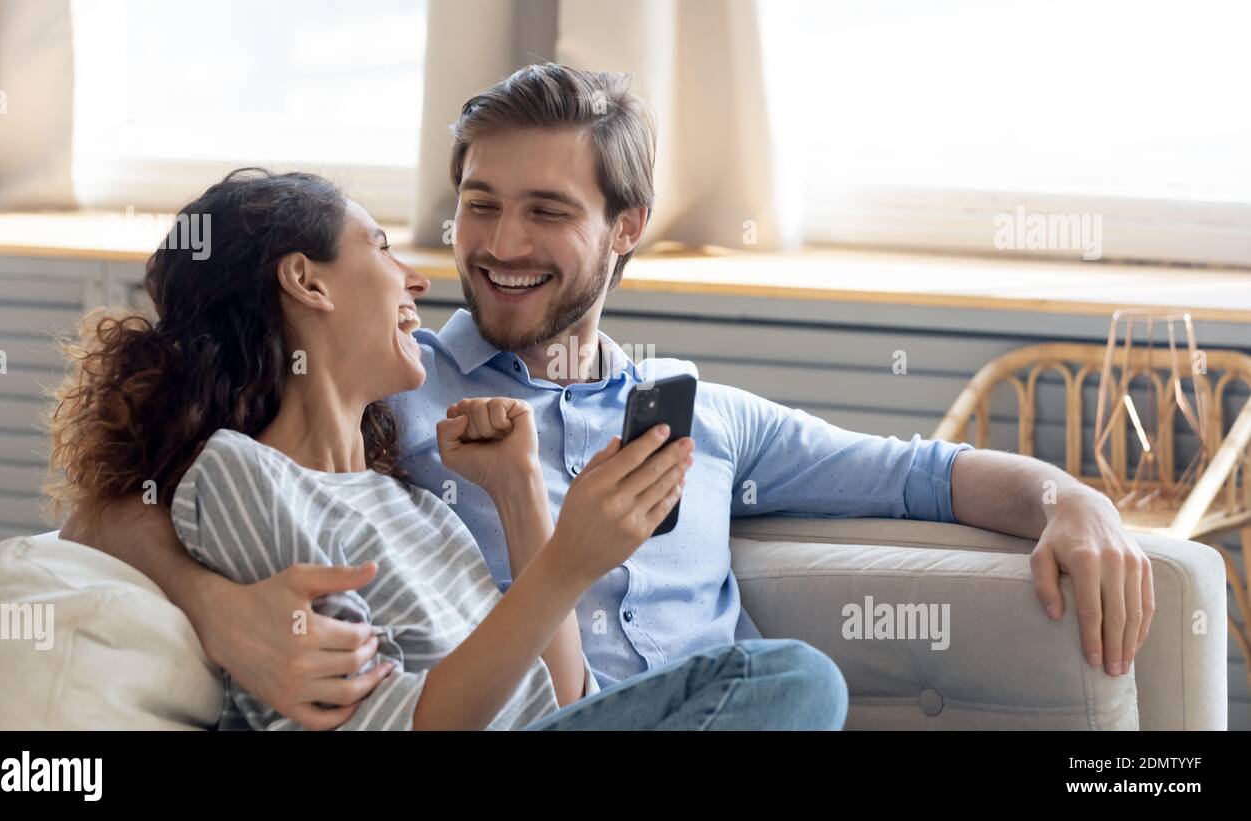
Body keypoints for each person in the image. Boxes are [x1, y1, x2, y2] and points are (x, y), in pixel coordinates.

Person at [63, 64, 1151, 731]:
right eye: (478, 205)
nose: (495, 245)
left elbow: (921, 474)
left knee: (778, 685)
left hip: (653, 712)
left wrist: (1074, 502)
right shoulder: (389, 389)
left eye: (544, 210)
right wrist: (214, 605)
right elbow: (122, 500)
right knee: (794, 681)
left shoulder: (708, 418)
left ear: (624, 227)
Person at [48, 168, 847, 730]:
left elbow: (565, 701)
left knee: (792, 680)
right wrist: (573, 561)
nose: (415, 281)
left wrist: (521, 496)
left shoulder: (417, 507)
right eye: (381, 248)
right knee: (785, 679)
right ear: (309, 282)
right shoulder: (240, 477)